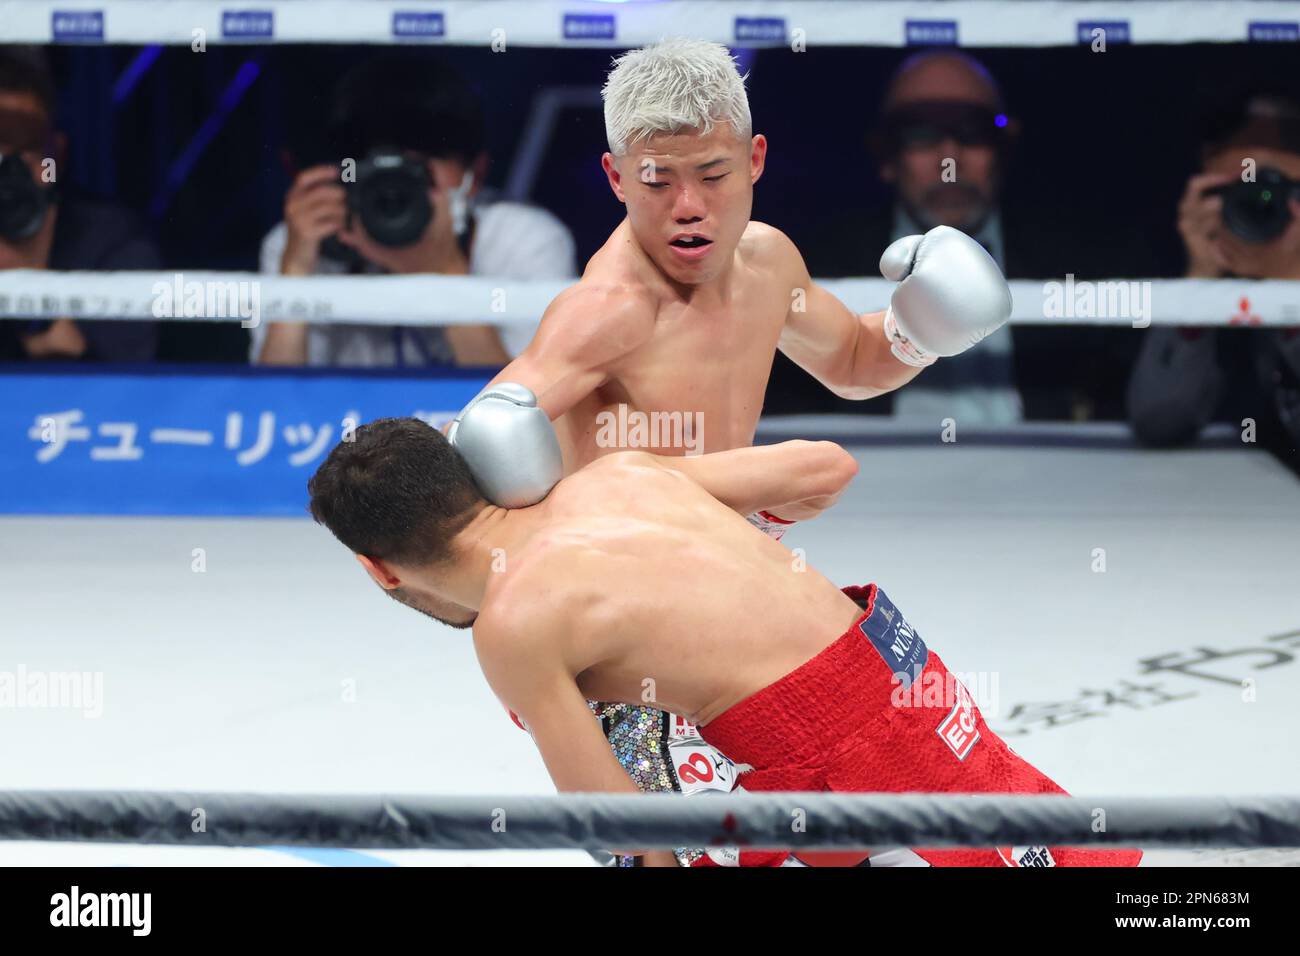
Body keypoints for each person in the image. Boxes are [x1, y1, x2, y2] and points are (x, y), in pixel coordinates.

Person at [441, 37, 1013, 865]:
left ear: (755, 160)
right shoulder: (606, 309)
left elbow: (853, 363)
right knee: (681, 854)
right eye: (656, 181)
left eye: (711, 176)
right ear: (613, 178)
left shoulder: (768, 261)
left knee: (865, 827)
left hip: (738, 595)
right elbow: (487, 437)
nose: (687, 207)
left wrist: (922, 329)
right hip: (628, 631)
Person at [307, 415, 1143, 869]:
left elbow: (621, 827)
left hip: (825, 756)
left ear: (380, 571)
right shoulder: (618, 476)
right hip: (900, 666)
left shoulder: (514, 626)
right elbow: (824, 469)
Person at [251, 52, 575, 367]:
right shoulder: (300, 242)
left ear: (473, 175)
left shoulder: (521, 240)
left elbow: (531, 411)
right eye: (376, 166)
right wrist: (294, 274)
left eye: (418, 167)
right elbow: (268, 412)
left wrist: (446, 270)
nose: (396, 186)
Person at [1127, 89, 1300, 471]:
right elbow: (1160, 423)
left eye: (1280, 191)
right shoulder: (1183, 259)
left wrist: (1291, 292)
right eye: (1240, 191)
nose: (1261, 207)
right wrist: (1199, 284)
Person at [0, 47, 161, 362]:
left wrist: (32, 300)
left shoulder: (111, 248)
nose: (8, 173)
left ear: (56, 155)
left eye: (27, 151)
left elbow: (120, 402)